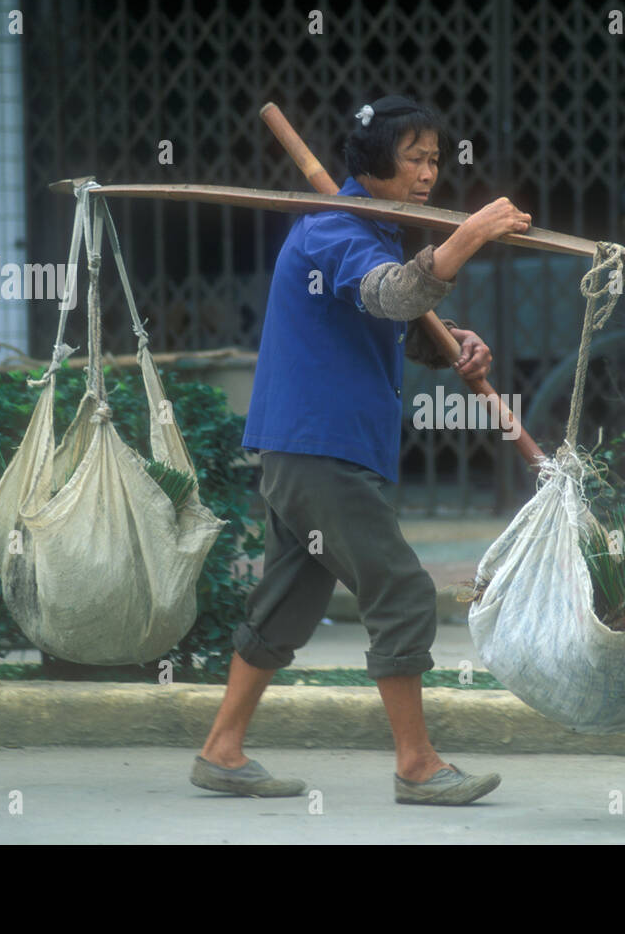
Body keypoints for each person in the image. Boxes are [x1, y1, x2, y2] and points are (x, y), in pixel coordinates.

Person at [190, 95, 532, 805]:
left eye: (436, 159)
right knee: (401, 589)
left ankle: (221, 749)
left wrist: (453, 345)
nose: (429, 173)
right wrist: (470, 236)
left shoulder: (372, 232)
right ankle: (417, 764)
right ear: (374, 161)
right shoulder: (332, 232)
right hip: (319, 449)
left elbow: (396, 317)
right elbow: (392, 294)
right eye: (415, 158)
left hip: (309, 447)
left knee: (288, 599)